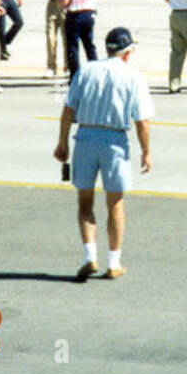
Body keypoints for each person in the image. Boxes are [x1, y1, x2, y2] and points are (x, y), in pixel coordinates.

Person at [53, 26, 154, 281]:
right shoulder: (133, 76)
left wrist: (62, 142)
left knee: (85, 202)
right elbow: (142, 121)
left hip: (85, 137)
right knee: (115, 203)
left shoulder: (86, 70)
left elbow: (67, 111)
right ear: (127, 52)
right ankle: (114, 262)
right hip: (115, 140)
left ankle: (90, 257)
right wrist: (146, 152)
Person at [60, 0, 100, 79]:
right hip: (89, 12)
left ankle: (75, 76)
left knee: (72, 46)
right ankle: (95, 74)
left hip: (75, 13)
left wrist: (62, 5)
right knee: (89, 44)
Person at [42, 0, 68, 77]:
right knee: (50, 37)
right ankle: (51, 66)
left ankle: (67, 65)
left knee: (66, 38)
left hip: (64, 5)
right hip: (52, 4)